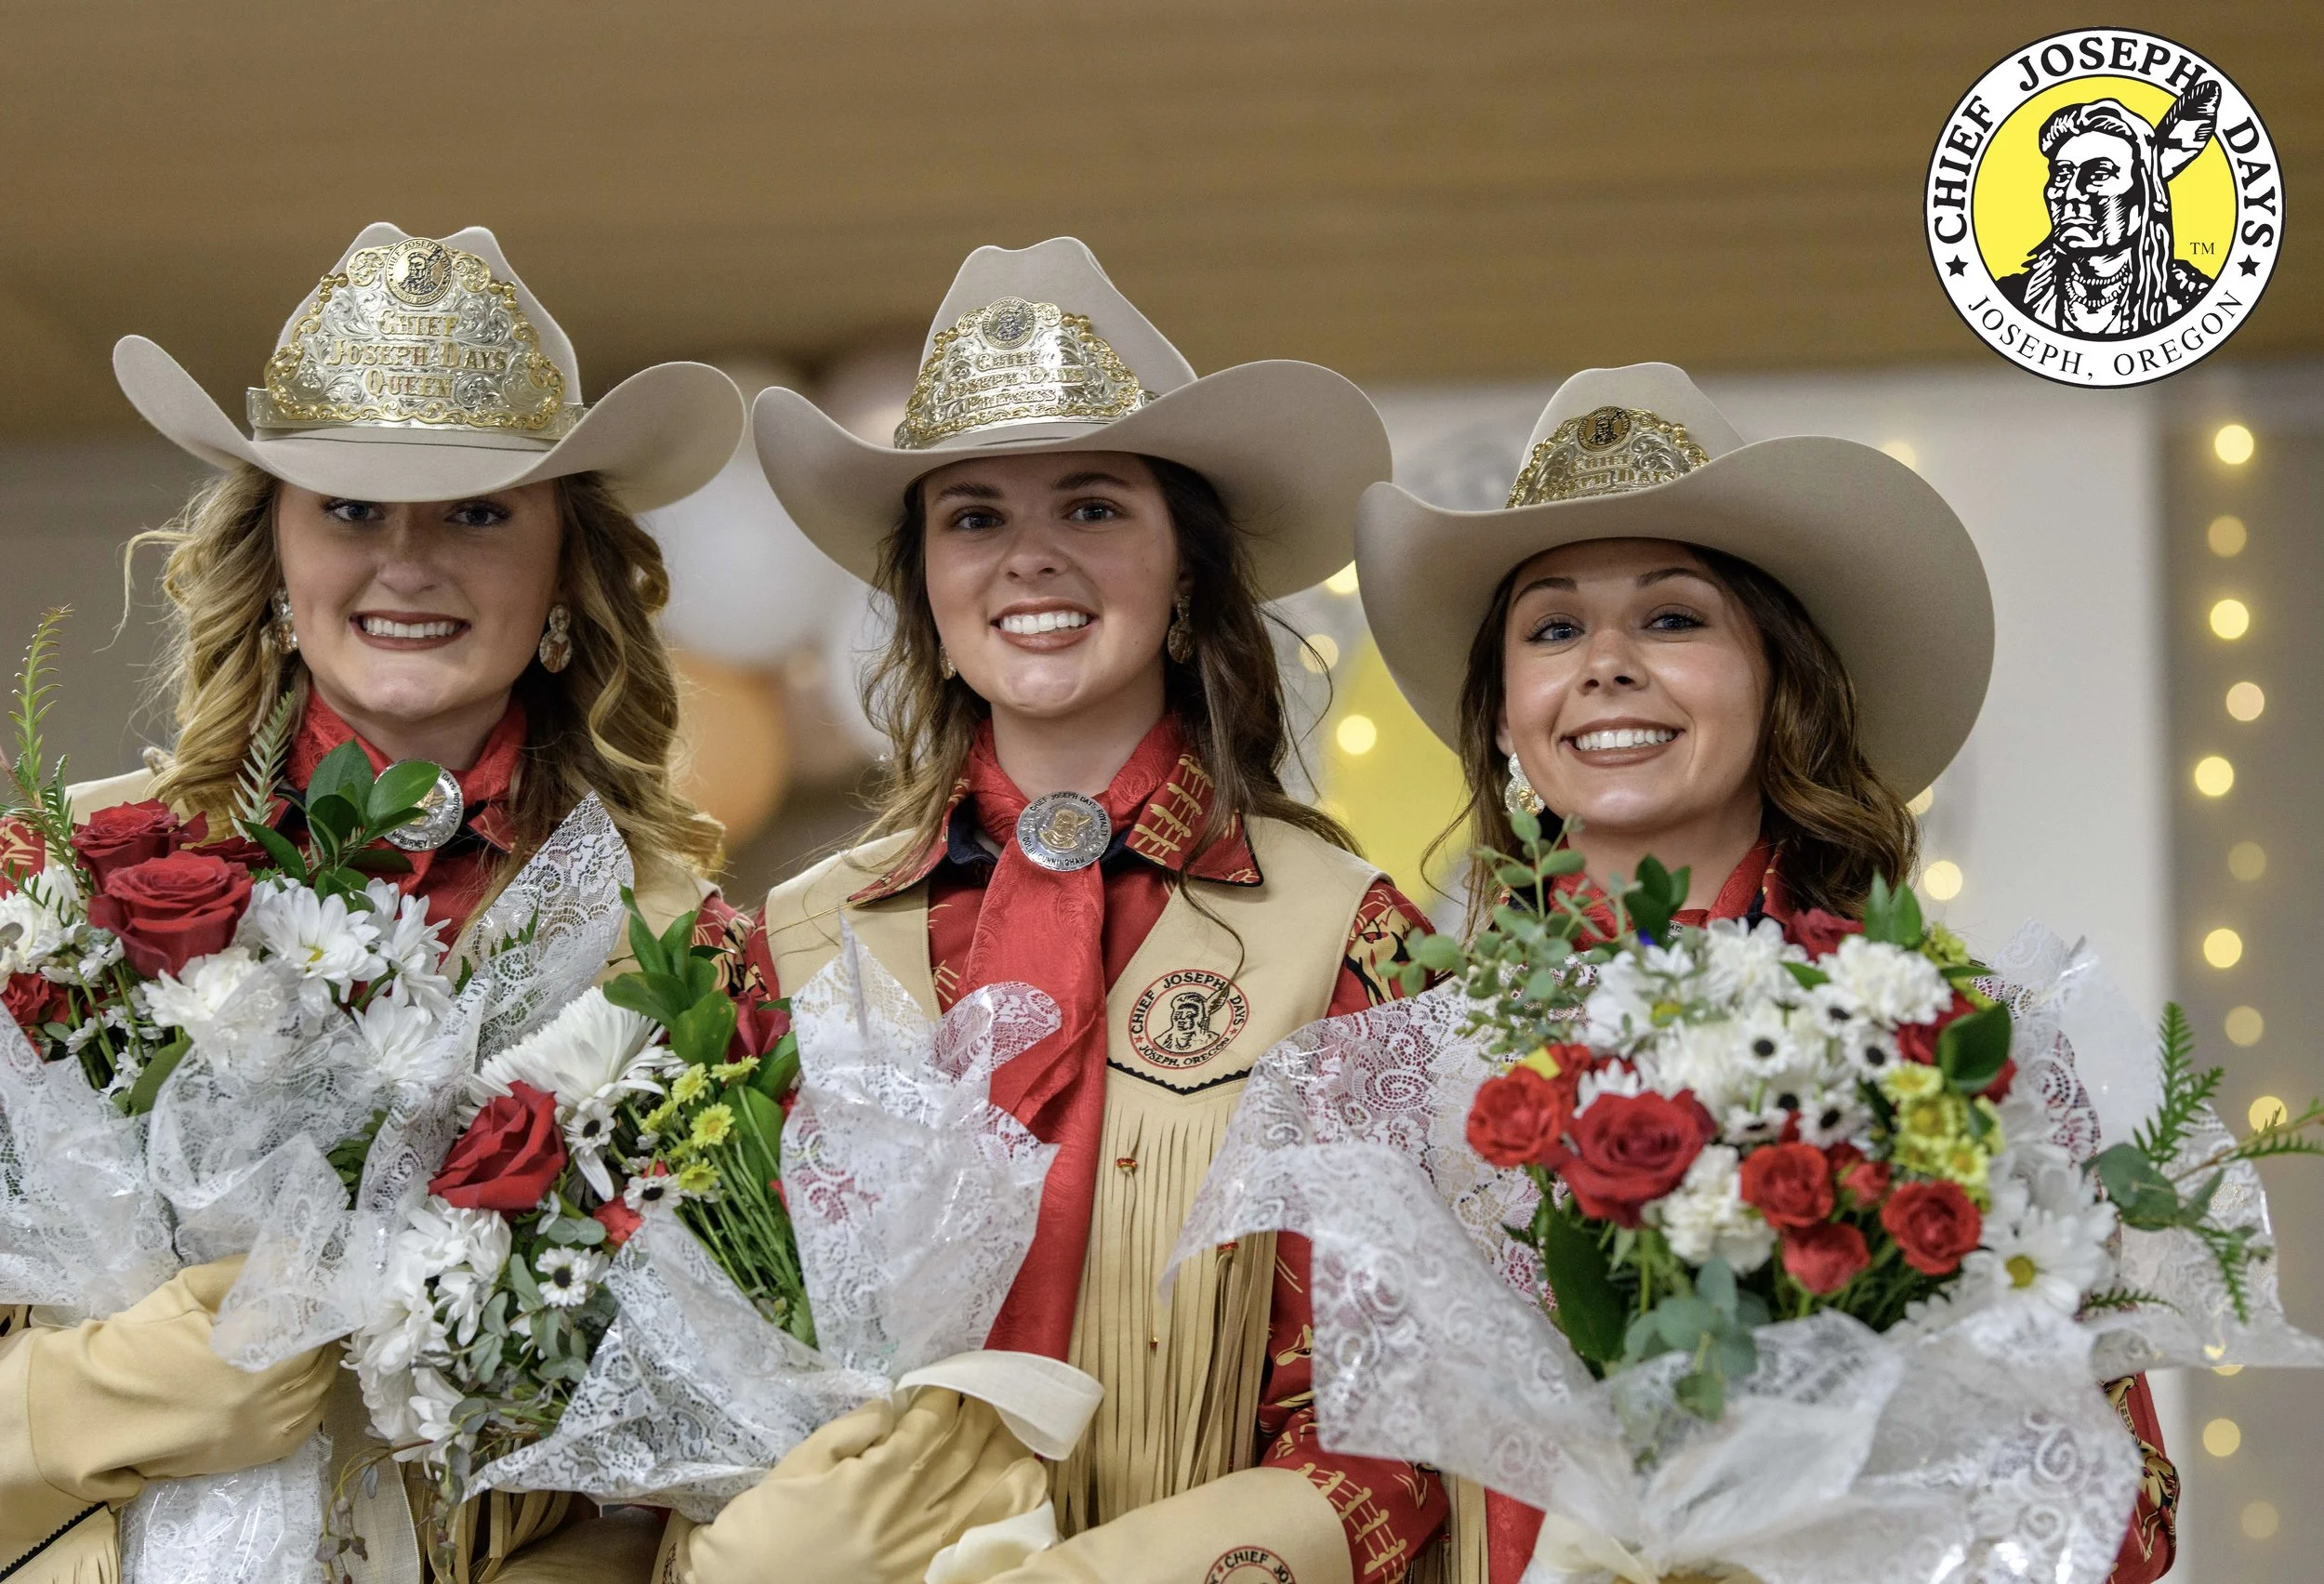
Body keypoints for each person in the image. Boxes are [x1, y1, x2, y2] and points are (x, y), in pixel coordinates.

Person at [654, 237, 1446, 1584]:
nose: (1029, 559)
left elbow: (1397, 1429)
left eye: (1091, 508)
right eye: (973, 518)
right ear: (922, 584)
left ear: (1186, 568)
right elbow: (703, 1370)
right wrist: (732, 1556)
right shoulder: (783, 946)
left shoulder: (1351, 941)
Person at [0, 223, 744, 1584]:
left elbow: (718, 1444)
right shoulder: (52, 885)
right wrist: (92, 1400)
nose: (408, 560)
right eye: (349, 507)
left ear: (566, 573)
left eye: (478, 512)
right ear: (275, 558)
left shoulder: (684, 950)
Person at [1354, 361, 2178, 1583]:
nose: (1605, 662)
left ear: (1781, 682)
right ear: (1503, 716)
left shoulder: (1954, 1047)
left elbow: (2124, 1510)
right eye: (1554, 628)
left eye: (1672, 618)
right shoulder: (1397, 1061)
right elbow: (1347, 1475)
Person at [1995, 85, 2220, 338]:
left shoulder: (2191, 303)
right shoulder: (2011, 300)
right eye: (2062, 175)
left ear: (2146, 194)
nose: (2071, 194)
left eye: (2099, 174)